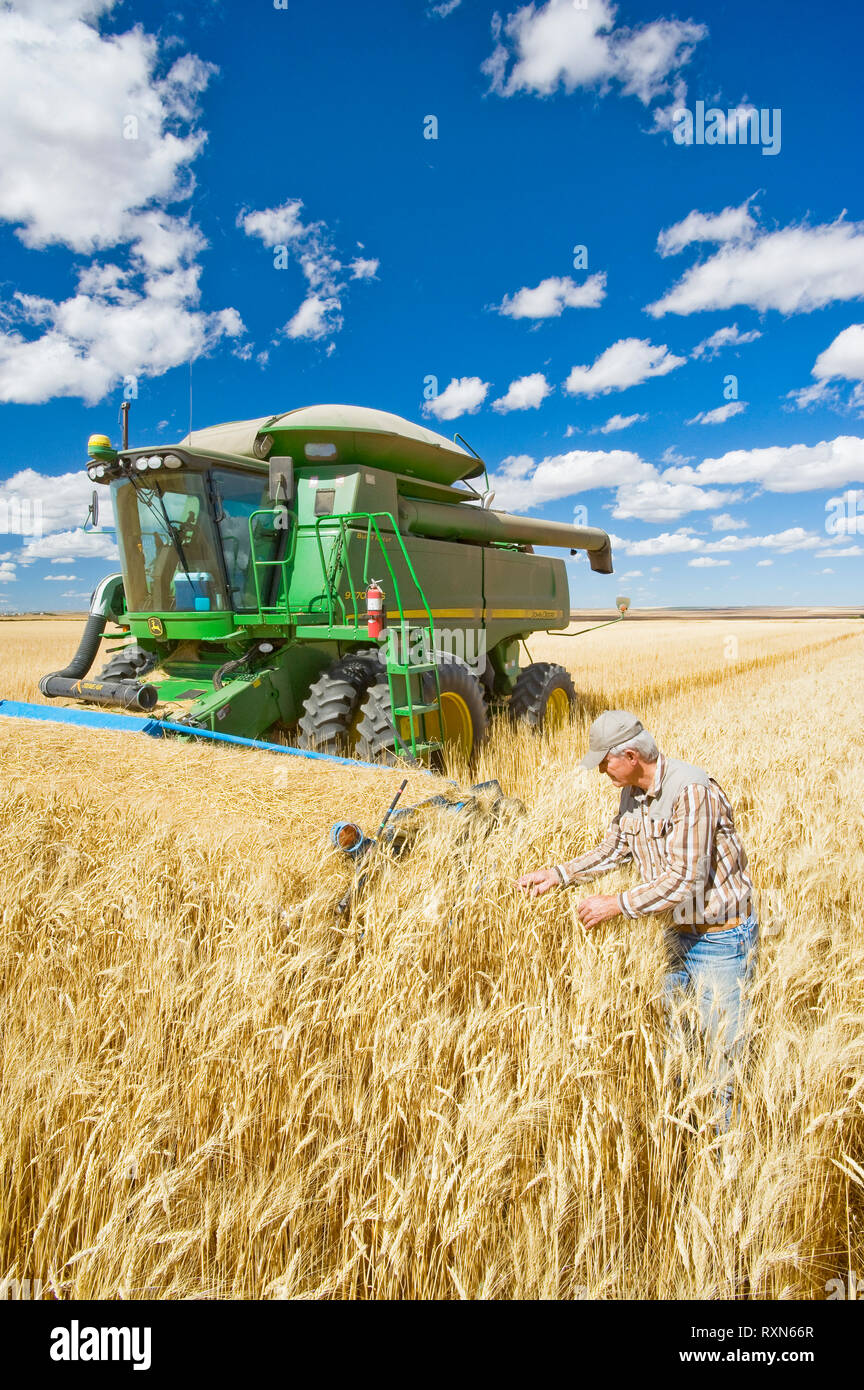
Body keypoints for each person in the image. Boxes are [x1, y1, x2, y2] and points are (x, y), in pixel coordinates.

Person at [517, 710, 758, 1129]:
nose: (599, 772)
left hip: (719, 942)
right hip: (674, 938)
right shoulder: (632, 792)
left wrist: (616, 904)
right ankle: (688, 1148)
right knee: (678, 1057)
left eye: (604, 762)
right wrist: (558, 874)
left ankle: (728, 1170)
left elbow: (685, 880)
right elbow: (614, 849)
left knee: (722, 1069)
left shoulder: (690, 792)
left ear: (629, 755)